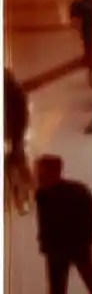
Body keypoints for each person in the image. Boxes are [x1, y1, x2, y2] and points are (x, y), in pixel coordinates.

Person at [34, 155, 92, 294]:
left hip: (74, 247)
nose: (37, 177)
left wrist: (88, 239)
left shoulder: (76, 192)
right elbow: (44, 222)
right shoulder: (43, 194)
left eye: (40, 172)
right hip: (62, 249)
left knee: (88, 279)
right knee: (84, 280)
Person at [5, 68, 33, 214]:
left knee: (19, 160)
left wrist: (18, 140)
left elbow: (23, 120)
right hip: (9, 133)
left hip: (17, 133)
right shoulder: (15, 93)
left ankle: (27, 190)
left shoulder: (17, 95)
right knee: (13, 164)